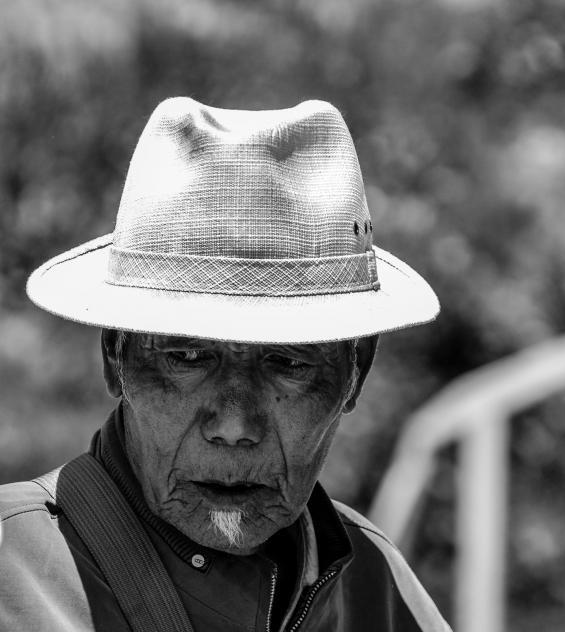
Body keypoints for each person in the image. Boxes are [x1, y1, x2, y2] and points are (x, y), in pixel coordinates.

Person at [0, 97, 450, 631]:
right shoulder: (12, 567)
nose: (234, 426)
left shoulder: (378, 592)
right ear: (115, 355)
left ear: (357, 371)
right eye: (188, 357)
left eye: (288, 362)